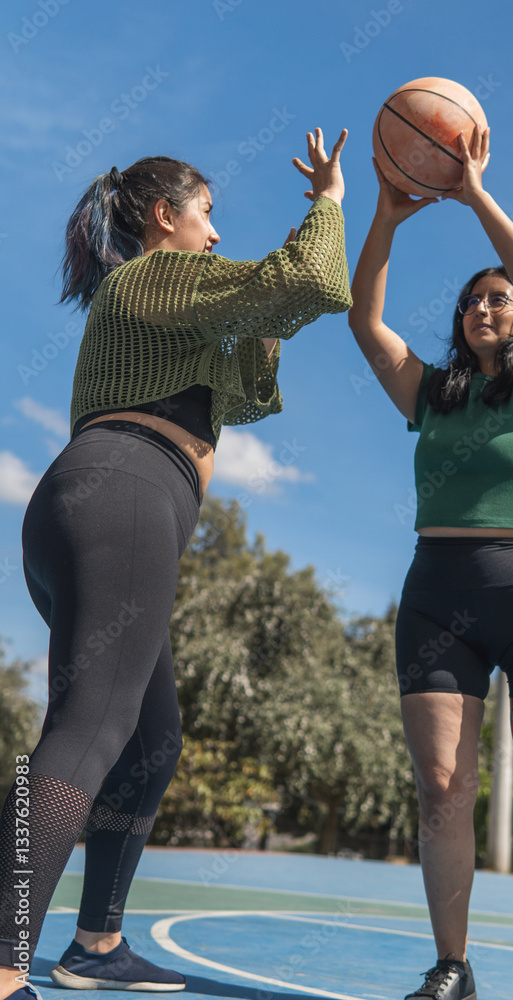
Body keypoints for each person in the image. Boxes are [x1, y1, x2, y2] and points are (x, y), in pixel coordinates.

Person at [0, 127, 351, 1000]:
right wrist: (330, 209)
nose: (217, 235)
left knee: (151, 741)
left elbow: (253, 375)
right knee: (89, 729)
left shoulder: (159, 294)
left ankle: (96, 944)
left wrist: (289, 285)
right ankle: (4, 966)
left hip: (101, 504)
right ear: (164, 217)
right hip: (123, 495)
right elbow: (306, 280)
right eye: (207, 216)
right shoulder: (152, 273)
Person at [348, 126, 513, 1000]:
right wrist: (386, 216)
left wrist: (472, 192)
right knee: (442, 787)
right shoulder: (431, 396)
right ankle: (452, 966)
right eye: (470, 302)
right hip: (434, 594)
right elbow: (364, 320)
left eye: (497, 300)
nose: (485, 307)